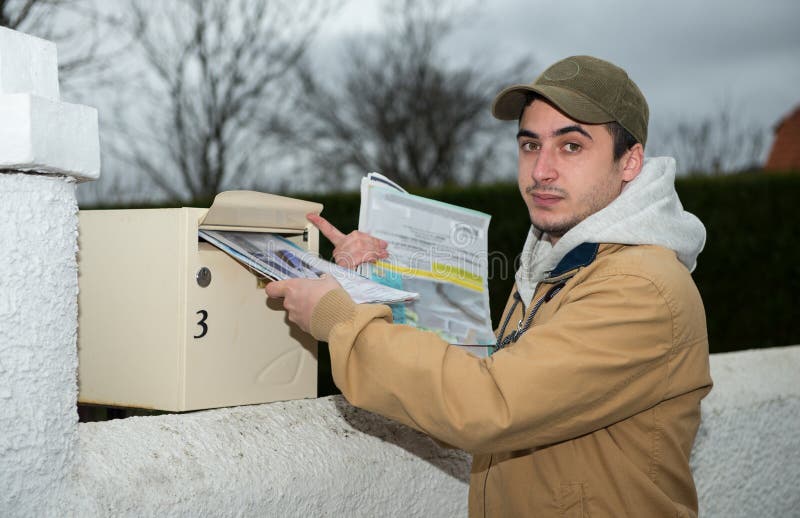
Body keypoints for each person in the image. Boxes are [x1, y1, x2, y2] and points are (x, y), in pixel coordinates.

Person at [267, 55, 712, 517]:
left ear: (630, 162)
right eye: (529, 145)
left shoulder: (640, 287)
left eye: (571, 147)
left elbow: (488, 406)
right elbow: (463, 381)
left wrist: (339, 319)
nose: (541, 170)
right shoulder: (562, 265)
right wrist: (369, 283)